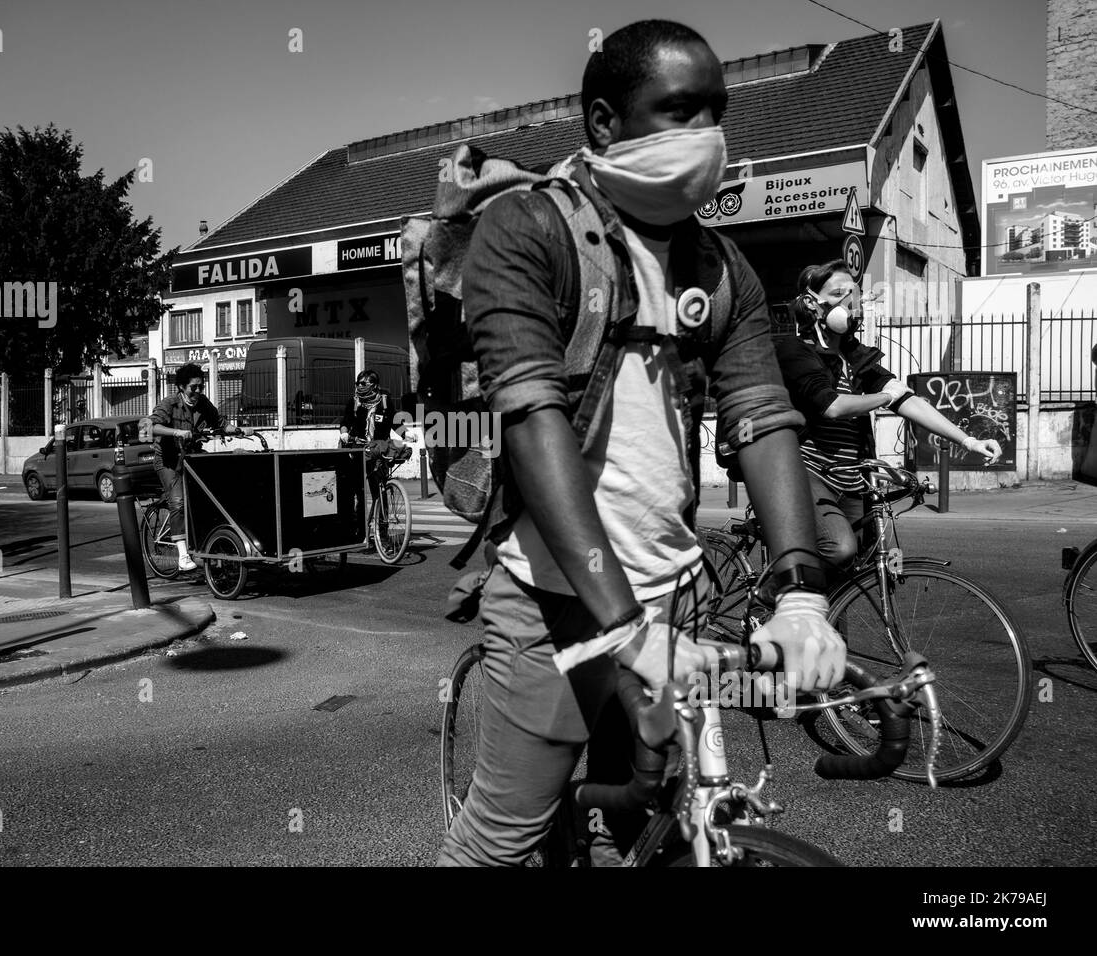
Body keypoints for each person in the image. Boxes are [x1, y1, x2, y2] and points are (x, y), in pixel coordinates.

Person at [436, 19, 847, 867]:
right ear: (603, 122)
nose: (705, 137)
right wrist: (621, 628)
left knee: (655, 816)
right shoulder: (528, 232)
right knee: (498, 845)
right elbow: (530, 417)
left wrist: (801, 589)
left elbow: (763, 416)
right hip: (560, 599)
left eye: (716, 112)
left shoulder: (719, 265)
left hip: (671, 592)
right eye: (678, 110)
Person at [775, 260, 1002, 574]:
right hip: (810, 475)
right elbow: (832, 406)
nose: (850, 302)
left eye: (854, 293)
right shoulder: (796, 351)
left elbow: (909, 401)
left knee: (848, 571)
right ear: (812, 303)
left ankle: (823, 622)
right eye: (838, 293)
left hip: (852, 481)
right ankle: (771, 598)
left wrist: (969, 440)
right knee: (840, 549)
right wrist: (885, 397)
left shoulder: (855, 358)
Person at [149, 363, 236, 570]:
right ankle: (182, 556)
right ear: (181, 386)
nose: (197, 391)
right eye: (193, 387)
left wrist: (239, 430)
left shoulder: (203, 403)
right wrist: (176, 432)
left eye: (200, 386)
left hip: (191, 455)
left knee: (214, 491)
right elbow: (151, 426)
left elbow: (220, 422)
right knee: (178, 502)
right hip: (168, 460)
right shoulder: (169, 404)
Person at [339, 370, 410, 539]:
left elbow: (395, 421)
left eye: (363, 383)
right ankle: (358, 532)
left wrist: (406, 434)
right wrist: (343, 433)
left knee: (380, 491)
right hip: (357, 450)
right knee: (358, 491)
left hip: (378, 450)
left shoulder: (384, 402)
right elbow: (345, 421)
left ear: (375, 385)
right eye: (358, 383)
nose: (359, 386)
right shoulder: (355, 402)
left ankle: (382, 532)